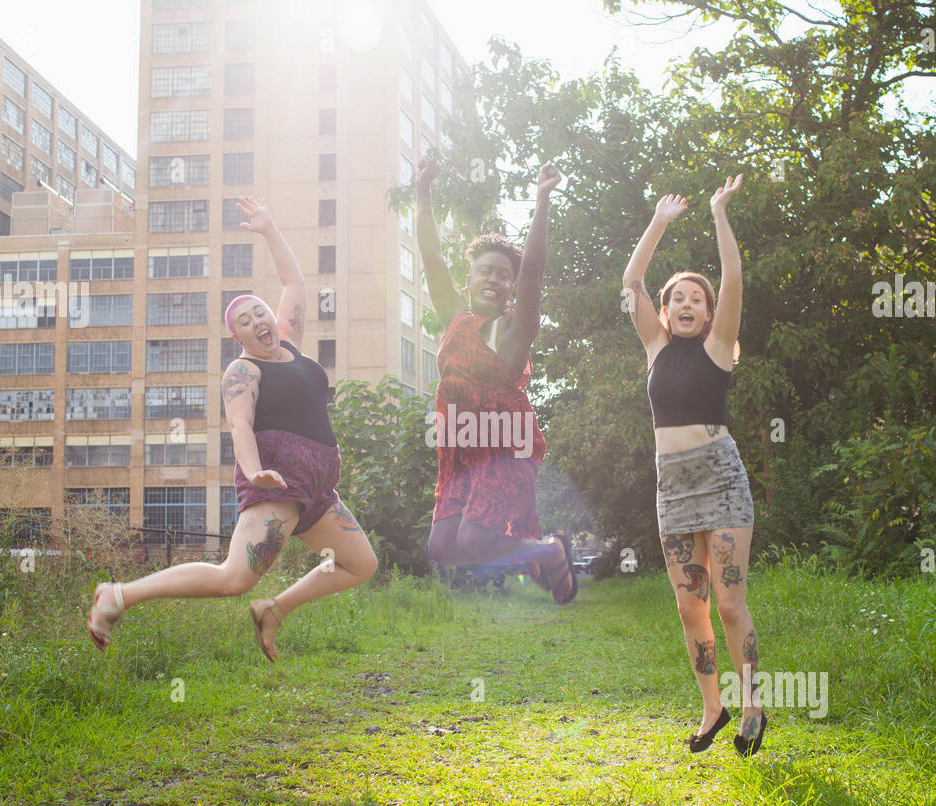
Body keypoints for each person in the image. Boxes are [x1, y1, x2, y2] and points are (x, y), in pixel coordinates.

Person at [86, 196, 377, 660]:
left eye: (260, 312)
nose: (258, 320)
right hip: (277, 481)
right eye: (246, 320)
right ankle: (117, 595)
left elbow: (294, 280)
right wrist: (255, 471)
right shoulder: (242, 372)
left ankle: (275, 610)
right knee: (233, 578)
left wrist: (269, 230)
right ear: (237, 336)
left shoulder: (292, 346)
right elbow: (239, 426)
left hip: (317, 487)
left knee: (360, 563)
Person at [621, 175, 766, 756]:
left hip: (721, 480)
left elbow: (733, 278)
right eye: (677, 296)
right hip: (672, 490)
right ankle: (714, 707)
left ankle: (753, 704)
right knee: (690, 606)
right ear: (665, 310)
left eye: (695, 298)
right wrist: (659, 221)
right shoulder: (655, 349)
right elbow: (631, 282)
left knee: (729, 602)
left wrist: (718, 213)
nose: (686, 302)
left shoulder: (716, 347)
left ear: (708, 314)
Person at [415, 156, 576, 603]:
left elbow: (534, 270)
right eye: (485, 271)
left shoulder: (513, 330)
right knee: (443, 548)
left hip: (505, 446)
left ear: (509, 288)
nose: (494, 279)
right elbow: (430, 255)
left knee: (471, 541)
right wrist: (422, 191)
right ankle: (539, 560)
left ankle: (547, 550)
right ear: (468, 281)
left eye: (503, 275)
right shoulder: (453, 317)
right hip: (460, 451)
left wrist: (542, 198)